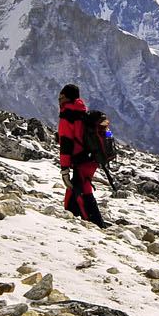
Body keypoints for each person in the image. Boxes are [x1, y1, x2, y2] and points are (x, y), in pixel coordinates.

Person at [57, 83, 106, 227]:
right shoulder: (81, 111)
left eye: (61, 97)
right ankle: (80, 217)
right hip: (91, 157)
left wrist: (64, 169)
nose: (59, 100)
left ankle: (94, 223)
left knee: (81, 190)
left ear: (67, 98)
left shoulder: (67, 117)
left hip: (81, 160)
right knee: (80, 187)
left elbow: (66, 146)